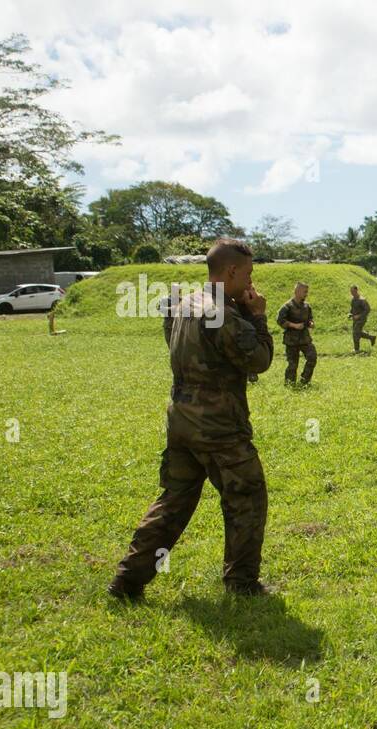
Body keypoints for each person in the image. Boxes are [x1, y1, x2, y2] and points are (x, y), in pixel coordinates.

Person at [107, 238, 274, 600]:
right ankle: (241, 583)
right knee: (246, 496)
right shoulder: (224, 314)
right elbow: (258, 360)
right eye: (247, 274)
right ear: (230, 271)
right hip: (217, 426)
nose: (250, 282)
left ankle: (128, 580)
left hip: (181, 418)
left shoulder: (184, 304)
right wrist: (257, 316)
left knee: (175, 500)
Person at [277, 281, 316, 386]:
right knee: (293, 365)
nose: (306, 294)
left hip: (305, 338)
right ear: (297, 291)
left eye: (307, 292)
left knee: (312, 357)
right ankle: (290, 384)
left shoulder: (307, 306)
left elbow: (309, 319)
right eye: (304, 292)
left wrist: (311, 323)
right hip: (291, 340)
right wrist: (294, 325)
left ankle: (304, 381)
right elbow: (280, 320)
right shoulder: (287, 306)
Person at [350, 284, 376, 352]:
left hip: (361, 319)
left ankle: (356, 349)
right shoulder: (353, 299)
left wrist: (359, 316)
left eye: (353, 291)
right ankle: (371, 337)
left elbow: (368, 310)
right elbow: (353, 308)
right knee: (357, 333)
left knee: (355, 332)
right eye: (351, 291)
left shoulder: (362, 300)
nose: (351, 293)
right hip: (355, 319)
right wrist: (350, 314)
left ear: (356, 291)